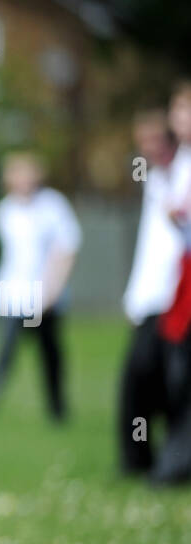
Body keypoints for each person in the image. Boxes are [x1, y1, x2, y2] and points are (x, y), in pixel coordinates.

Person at [0, 152, 81, 421]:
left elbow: (65, 250)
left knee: (50, 355)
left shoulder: (53, 206)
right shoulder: (5, 210)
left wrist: (53, 290)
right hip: (13, 296)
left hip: (45, 296)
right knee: (4, 353)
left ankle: (57, 409)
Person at [118, 109, 183, 477]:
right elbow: (150, 246)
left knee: (163, 378)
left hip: (174, 297)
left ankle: (164, 459)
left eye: (155, 140)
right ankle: (139, 459)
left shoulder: (180, 176)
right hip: (150, 298)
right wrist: (135, 294)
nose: (148, 149)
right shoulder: (153, 180)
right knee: (141, 377)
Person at [147, 81, 191, 484]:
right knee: (176, 374)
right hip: (184, 281)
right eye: (176, 111)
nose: (179, 119)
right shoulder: (177, 165)